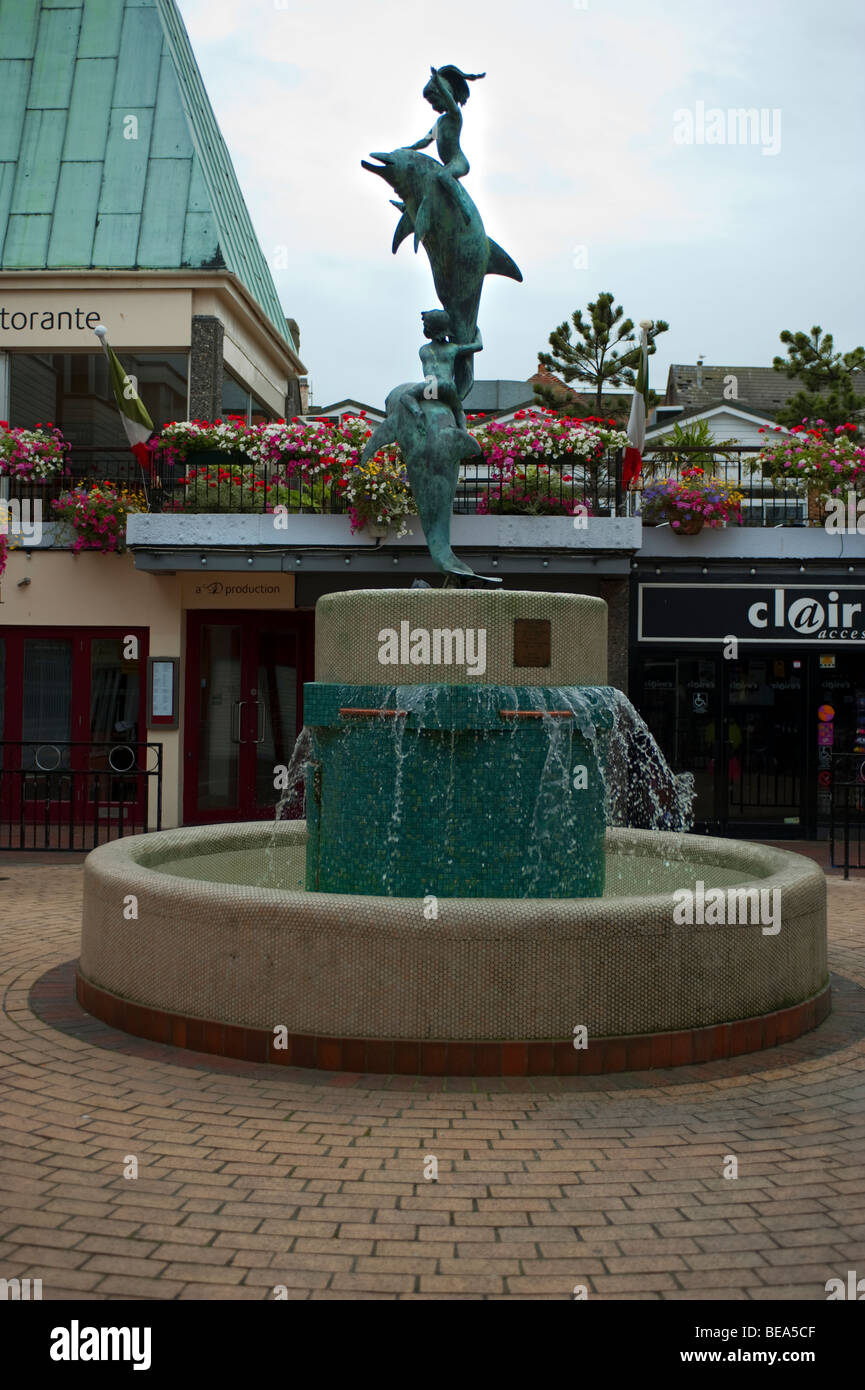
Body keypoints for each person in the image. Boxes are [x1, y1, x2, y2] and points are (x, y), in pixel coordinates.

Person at [402, 310, 482, 430]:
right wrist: (475, 329)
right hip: (448, 387)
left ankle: (418, 413)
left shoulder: (423, 350)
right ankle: (463, 430)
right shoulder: (452, 348)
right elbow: (478, 345)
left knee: (406, 396)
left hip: (431, 386)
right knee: (458, 409)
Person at [405, 65, 485, 180]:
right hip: (448, 165)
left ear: (444, 95)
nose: (434, 107)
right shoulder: (439, 122)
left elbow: (450, 100)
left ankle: (459, 199)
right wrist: (409, 148)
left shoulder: (455, 115)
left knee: (443, 176)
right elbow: (425, 142)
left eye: (435, 101)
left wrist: (438, 84)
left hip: (459, 162)